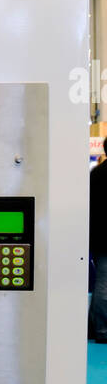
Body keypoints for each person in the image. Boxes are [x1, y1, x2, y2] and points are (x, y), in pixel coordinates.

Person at [89, 137, 107, 342]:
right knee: (104, 285)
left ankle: (99, 328)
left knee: (103, 283)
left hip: (100, 238)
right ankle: (102, 330)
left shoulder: (97, 173)